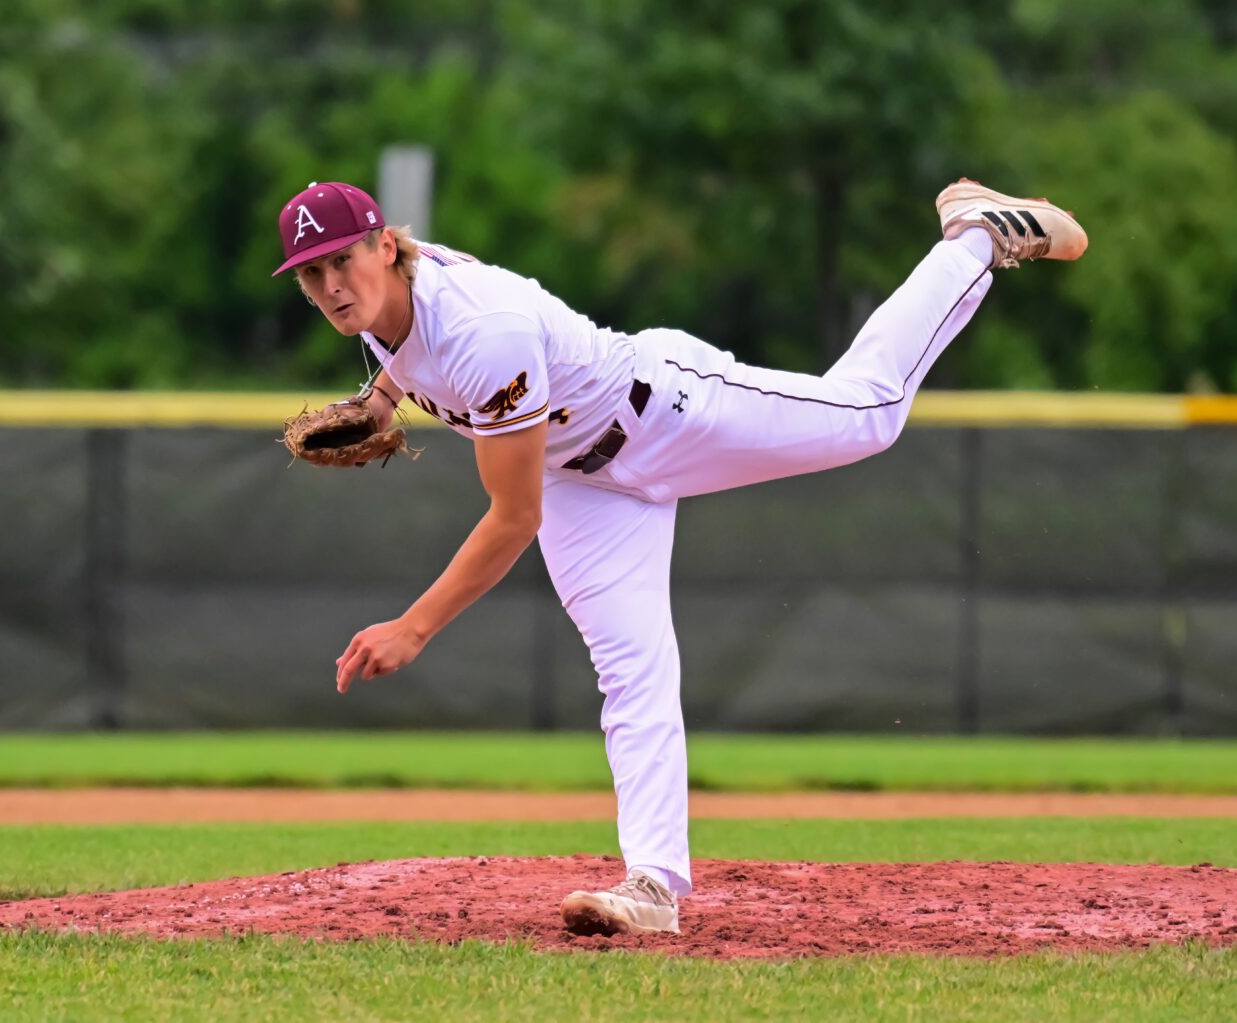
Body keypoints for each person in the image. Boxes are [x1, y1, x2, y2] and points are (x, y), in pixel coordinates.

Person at [272, 179, 1087, 936]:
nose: (330, 287)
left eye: (340, 260)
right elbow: (409, 352)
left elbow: (515, 516)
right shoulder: (389, 308)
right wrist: (376, 401)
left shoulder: (485, 332)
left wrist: (414, 628)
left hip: (663, 411)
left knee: (867, 413)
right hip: (585, 486)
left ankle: (973, 237)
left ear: (384, 246)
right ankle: (653, 886)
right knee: (633, 668)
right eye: (310, 275)